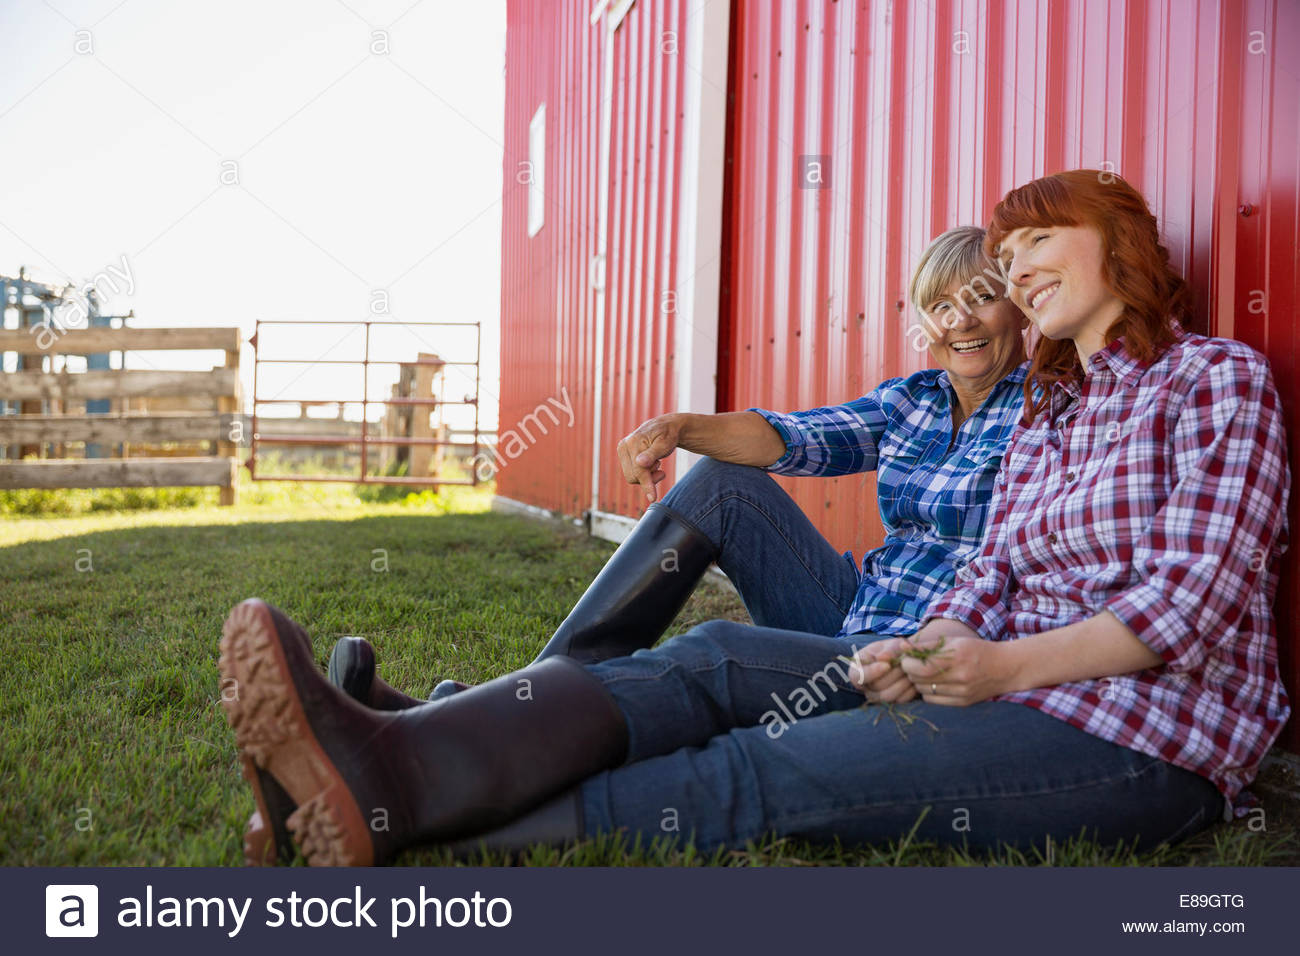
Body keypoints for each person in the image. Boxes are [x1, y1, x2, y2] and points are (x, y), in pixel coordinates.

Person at [221, 170, 1289, 867]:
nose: (1000, 284)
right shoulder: (1054, 411)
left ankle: (406, 815)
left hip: (1135, 737)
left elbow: (1193, 596)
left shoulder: (1215, 381)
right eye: (989, 268)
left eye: (1024, 255)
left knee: (764, 770)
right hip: (959, 662)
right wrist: (926, 646)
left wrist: (996, 665)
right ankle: (414, 756)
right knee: (714, 653)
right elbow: (986, 563)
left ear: (1116, 244)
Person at [328, 225, 1030, 709]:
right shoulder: (910, 401)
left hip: (915, 656)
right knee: (725, 484)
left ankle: (470, 719)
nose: (959, 322)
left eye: (980, 298)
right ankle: (515, 697)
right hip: (850, 611)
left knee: (711, 656)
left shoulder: (1046, 414)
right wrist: (680, 428)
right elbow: (790, 437)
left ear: (1020, 308)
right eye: (940, 306)